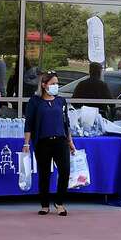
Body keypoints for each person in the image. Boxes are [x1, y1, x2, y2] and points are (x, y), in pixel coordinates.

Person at [24, 71, 75, 216]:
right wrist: (26, 143)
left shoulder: (61, 101)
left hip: (60, 140)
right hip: (42, 141)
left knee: (65, 170)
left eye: (57, 83)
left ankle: (59, 202)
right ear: (44, 85)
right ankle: (45, 204)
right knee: (44, 173)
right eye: (53, 83)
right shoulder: (35, 101)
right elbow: (29, 123)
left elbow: (66, 123)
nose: (55, 86)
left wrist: (70, 141)